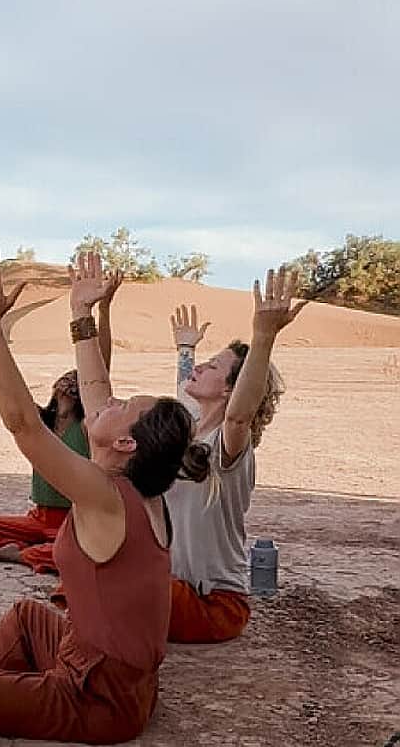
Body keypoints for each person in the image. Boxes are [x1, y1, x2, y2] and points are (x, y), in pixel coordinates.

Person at [0, 247, 210, 742]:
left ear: (125, 443)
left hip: (97, 700)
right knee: (27, 618)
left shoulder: (105, 494)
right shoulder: (138, 482)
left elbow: (23, 425)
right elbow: (96, 384)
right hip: (105, 672)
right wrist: (80, 313)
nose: (107, 397)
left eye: (121, 404)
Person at [165, 267, 304, 643]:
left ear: (230, 390)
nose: (199, 368)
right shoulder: (191, 423)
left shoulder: (230, 447)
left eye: (213, 367)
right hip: (173, 591)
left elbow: (241, 412)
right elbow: (183, 388)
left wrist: (263, 337)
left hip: (214, 606)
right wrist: (185, 349)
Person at [0, 273, 121, 572]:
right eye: (65, 377)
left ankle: (25, 555)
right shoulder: (40, 422)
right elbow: (17, 411)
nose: (70, 380)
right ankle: (37, 548)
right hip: (37, 518)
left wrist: (101, 311)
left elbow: (98, 368)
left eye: (75, 379)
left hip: (74, 517)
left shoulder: (86, 426)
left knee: (82, 550)